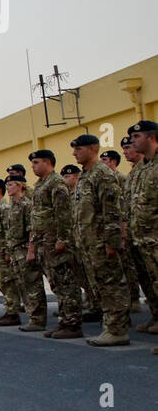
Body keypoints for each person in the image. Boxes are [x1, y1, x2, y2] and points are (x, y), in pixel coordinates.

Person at [70, 134, 130, 346]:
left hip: (101, 242)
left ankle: (117, 329)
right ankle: (112, 326)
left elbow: (111, 210)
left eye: (79, 148)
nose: (74, 152)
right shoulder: (86, 175)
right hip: (89, 243)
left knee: (111, 285)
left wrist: (112, 242)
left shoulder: (101, 173)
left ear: (93, 148)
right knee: (101, 286)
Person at [28, 149, 82, 339]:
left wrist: (62, 239)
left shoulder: (56, 183)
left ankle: (73, 324)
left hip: (56, 242)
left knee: (66, 282)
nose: (33, 167)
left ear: (48, 162)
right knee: (57, 283)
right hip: (45, 242)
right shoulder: (41, 184)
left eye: (36, 162)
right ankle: (64, 321)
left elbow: (64, 214)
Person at [125, 120, 158, 351]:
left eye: (136, 137)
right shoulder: (141, 169)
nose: (132, 141)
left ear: (151, 137)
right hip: (145, 240)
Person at [105, 144, 144, 314]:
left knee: (132, 265)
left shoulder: (121, 178)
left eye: (105, 160)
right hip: (123, 226)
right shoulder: (129, 175)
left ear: (113, 162)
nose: (126, 151)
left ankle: (135, 298)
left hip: (134, 226)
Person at [5, 175, 47, 332]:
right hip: (16, 251)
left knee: (33, 285)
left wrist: (31, 251)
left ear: (20, 186)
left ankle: (38, 319)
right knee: (24, 285)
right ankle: (32, 317)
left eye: (10, 184)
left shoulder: (26, 205)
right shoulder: (13, 206)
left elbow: (32, 230)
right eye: (7, 185)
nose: (8, 188)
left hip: (24, 250)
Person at [61, 164, 101, 319]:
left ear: (76, 176)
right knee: (83, 275)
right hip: (76, 241)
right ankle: (92, 304)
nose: (65, 179)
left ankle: (98, 307)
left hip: (89, 239)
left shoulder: (82, 193)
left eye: (68, 176)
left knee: (94, 275)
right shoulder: (69, 195)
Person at [0, 178, 24, 325]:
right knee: (2, 282)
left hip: (2, 253)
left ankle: (13, 313)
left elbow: (9, 231)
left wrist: (8, 252)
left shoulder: (3, 208)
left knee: (8, 282)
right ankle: (9, 310)